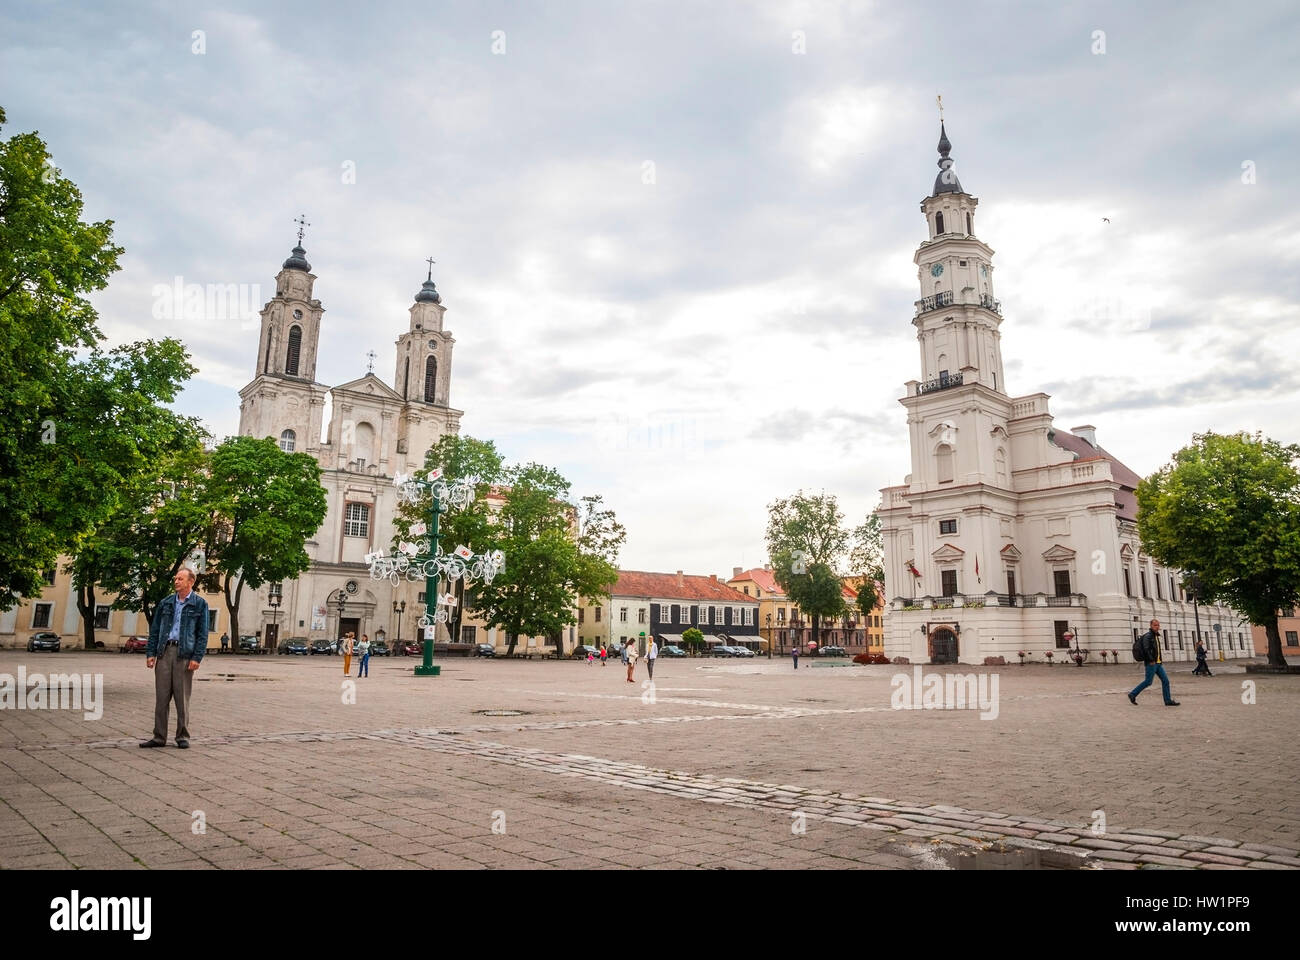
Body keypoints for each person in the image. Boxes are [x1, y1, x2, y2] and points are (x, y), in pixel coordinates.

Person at [140, 568, 208, 749]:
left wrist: (197, 657)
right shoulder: (166, 603)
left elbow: (202, 634)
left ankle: (182, 736)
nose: (176, 581)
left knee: (182, 697)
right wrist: (150, 653)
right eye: (175, 578)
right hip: (164, 652)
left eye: (180, 579)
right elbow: (155, 629)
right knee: (161, 698)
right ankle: (159, 736)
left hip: (184, 654)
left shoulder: (199, 604)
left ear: (190, 582)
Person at [1128, 618, 1180, 706]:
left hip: (1158, 663)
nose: (1157, 627)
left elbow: (1157, 650)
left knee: (1165, 681)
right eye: (1155, 625)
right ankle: (1133, 694)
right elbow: (1146, 649)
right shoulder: (1148, 636)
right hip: (1151, 663)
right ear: (1151, 626)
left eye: (1158, 625)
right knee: (1148, 681)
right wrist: (1151, 660)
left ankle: (1167, 700)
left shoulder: (1156, 636)